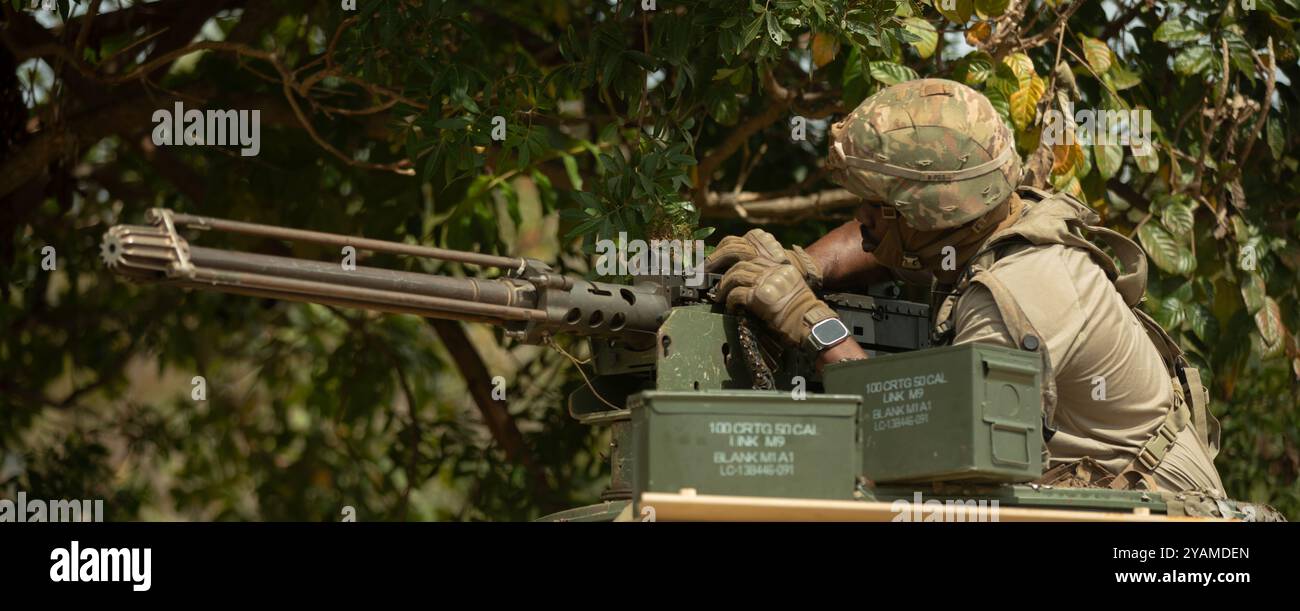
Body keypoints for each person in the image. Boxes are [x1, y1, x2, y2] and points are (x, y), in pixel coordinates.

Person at [704, 78, 1224, 495]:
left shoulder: (1012, 295)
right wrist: (802, 267)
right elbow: (881, 243)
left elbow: (926, 447)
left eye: (877, 205)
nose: (861, 218)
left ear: (927, 215)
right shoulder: (1002, 220)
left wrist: (814, 325)